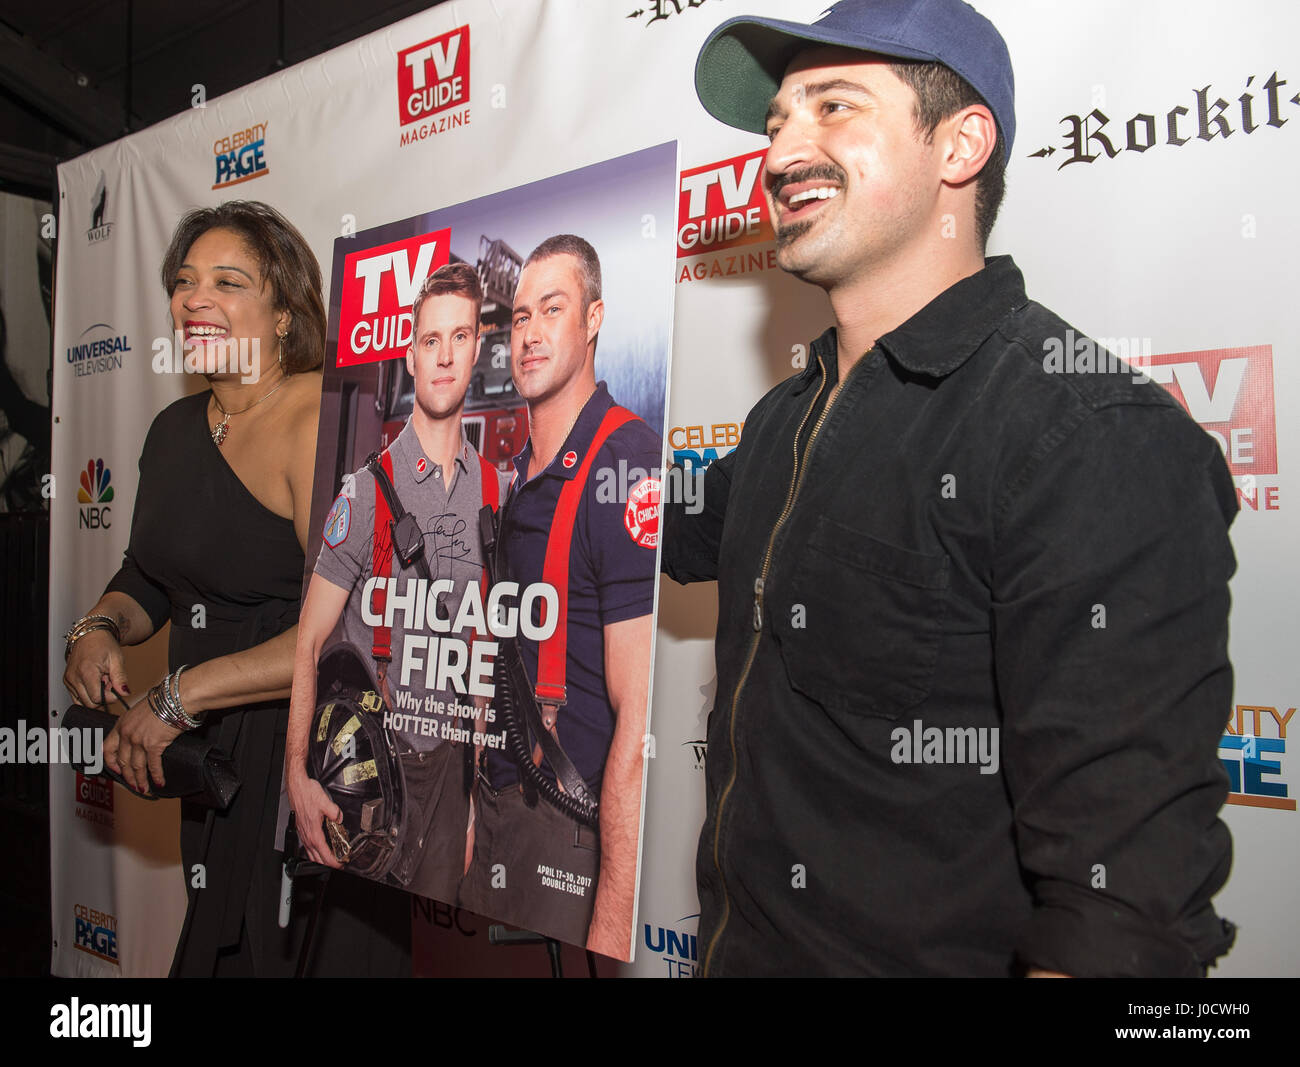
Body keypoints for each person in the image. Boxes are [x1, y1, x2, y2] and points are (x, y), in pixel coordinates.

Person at [662, 0, 1238, 976]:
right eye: (775, 124)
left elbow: (1118, 923)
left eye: (834, 108)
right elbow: (660, 534)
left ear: (960, 145)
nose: (781, 153)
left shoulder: (1085, 433)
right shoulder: (780, 422)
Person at [62, 200, 410, 977]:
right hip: (209, 759)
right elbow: (151, 576)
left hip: (312, 758)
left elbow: (349, 626)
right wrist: (98, 627)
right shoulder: (175, 428)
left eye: (227, 280)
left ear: (285, 313)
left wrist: (178, 696)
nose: (194, 298)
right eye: (184, 281)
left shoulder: (320, 420)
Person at [457, 235, 660, 959]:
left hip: (568, 827)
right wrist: (478, 799)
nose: (531, 333)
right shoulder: (518, 472)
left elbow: (638, 709)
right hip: (501, 808)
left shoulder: (624, 459)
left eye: (554, 309)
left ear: (594, 318)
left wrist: (612, 919)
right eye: (518, 318)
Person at [287, 262, 510, 903]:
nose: (444, 357)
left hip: (451, 773)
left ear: (476, 349)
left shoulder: (493, 490)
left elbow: (478, 649)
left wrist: (472, 794)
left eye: (459, 338)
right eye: (430, 341)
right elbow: (307, 643)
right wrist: (298, 777)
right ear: (410, 356)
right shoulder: (364, 494)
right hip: (369, 766)